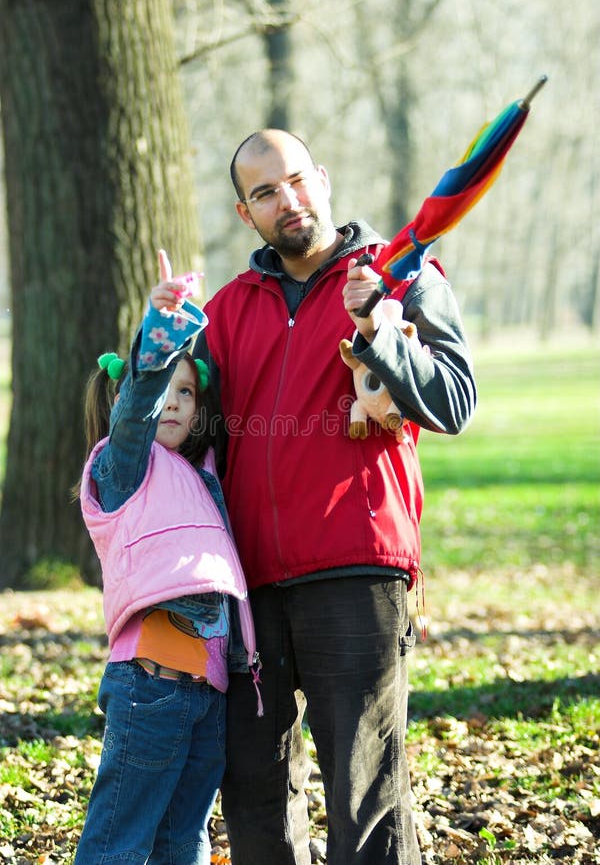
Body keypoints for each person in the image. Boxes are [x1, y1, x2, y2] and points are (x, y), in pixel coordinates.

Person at [193, 129, 477, 865]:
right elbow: (193, 438)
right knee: (253, 794)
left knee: (365, 796)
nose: (286, 201)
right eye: (264, 192)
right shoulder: (225, 312)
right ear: (243, 212)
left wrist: (380, 329)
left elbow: (454, 400)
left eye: (294, 180)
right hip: (248, 585)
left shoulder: (400, 274)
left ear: (321, 177)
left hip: (356, 569)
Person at [74, 252, 261, 865]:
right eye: (164, 390)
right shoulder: (122, 466)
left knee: (185, 839)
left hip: (206, 696)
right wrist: (160, 337)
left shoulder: (203, 477)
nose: (175, 401)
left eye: (188, 390)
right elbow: (137, 412)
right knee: (119, 841)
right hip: (149, 685)